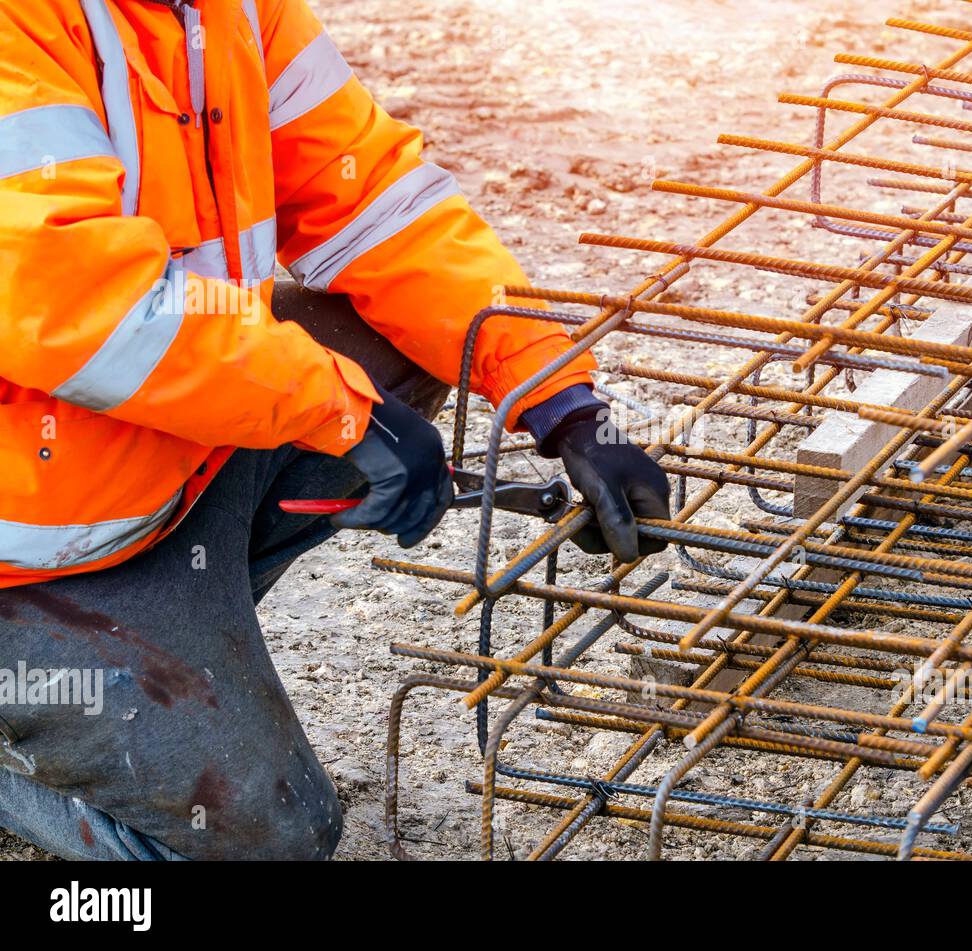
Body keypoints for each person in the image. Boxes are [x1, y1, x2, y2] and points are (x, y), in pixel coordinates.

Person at [0, 0, 669, 859]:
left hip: (154, 464)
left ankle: (183, 621)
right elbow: (80, 302)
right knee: (270, 842)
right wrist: (339, 411)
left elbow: (379, 206)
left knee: (415, 336)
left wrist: (559, 397)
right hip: (25, 543)